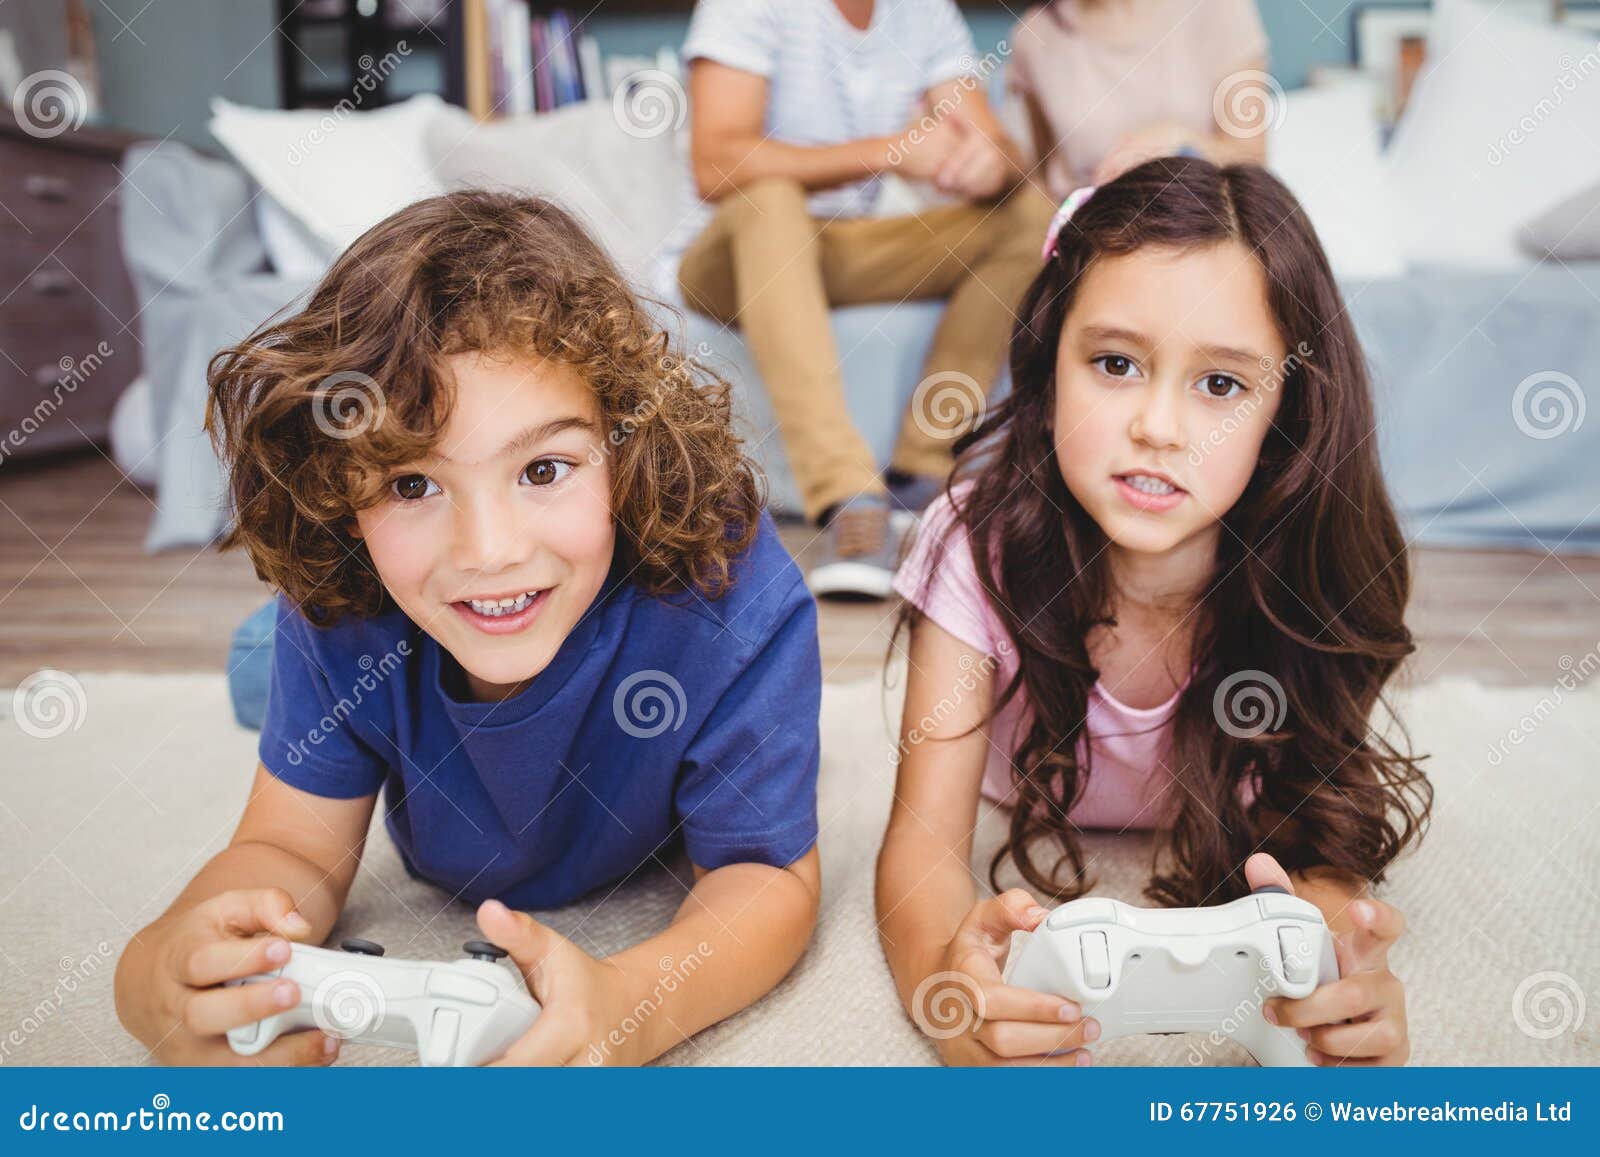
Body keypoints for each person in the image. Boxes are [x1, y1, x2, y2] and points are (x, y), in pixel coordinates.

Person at [113, 192, 822, 1067]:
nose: (489, 551)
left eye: (545, 468)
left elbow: (766, 879)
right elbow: (289, 845)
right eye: (412, 484)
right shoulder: (344, 602)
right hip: (384, 625)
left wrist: (630, 1004)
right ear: (340, 494)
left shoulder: (734, 598)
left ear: (628, 445)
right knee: (266, 657)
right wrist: (166, 964)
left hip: (458, 616)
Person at [875, 157, 1433, 1066]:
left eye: (1221, 385)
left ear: (1285, 410)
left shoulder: (1310, 565)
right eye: (1116, 363)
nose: (1160, 428)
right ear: (1049, 363)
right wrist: (949, 982)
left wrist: (1337, 963)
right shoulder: (972, 546)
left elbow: (1314, 832)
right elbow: (923, 844)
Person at [677, 0, 1056, 599]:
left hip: (835, 251)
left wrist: (991, 164)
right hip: (734, 254)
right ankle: (849, 499)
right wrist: (890, 150)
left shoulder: (926, 14)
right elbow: (717, 163)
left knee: (1031, 215)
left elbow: (995, 142)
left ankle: (921, 469)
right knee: (770, 196)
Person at [1008, 0, 1271, 194]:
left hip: (1201, 222)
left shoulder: (1218, 8)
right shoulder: (1033, 37)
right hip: (1095, 237)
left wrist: (1181, 143)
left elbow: (1251, 160)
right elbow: (1044, 172)